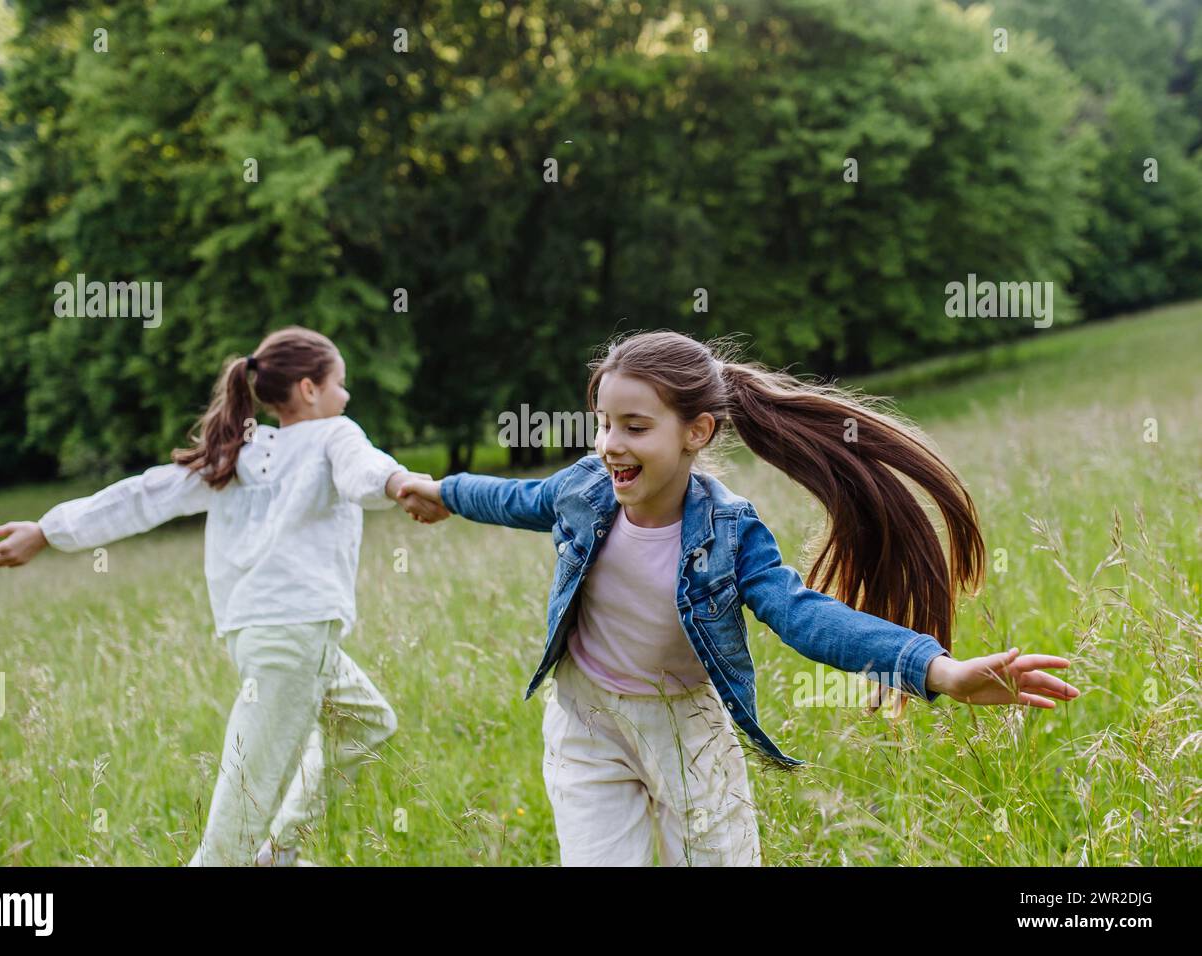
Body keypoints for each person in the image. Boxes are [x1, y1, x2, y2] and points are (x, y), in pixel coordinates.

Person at [398, 330, 1079, 866]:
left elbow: (804, 616)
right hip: (585, 724)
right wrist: (442, 492)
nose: (610, 445)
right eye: (603, 424)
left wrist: (941, 671)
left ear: (697, 432)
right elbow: (515, 498)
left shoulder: (730, 533)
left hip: (686, 733)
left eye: (634, 427)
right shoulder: (583, 489)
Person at [0, 326, 446, 865]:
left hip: (261, 636)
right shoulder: (332, 433)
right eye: (341, 383)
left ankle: (280, 852)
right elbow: (366, 470)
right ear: (309, 389)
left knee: (367, 723)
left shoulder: (237, 454)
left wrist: (47, 530)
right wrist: (404, 484)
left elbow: (141, 495)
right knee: (232, 831)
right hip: (296, 637)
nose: (347, 395)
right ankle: (258, 855)